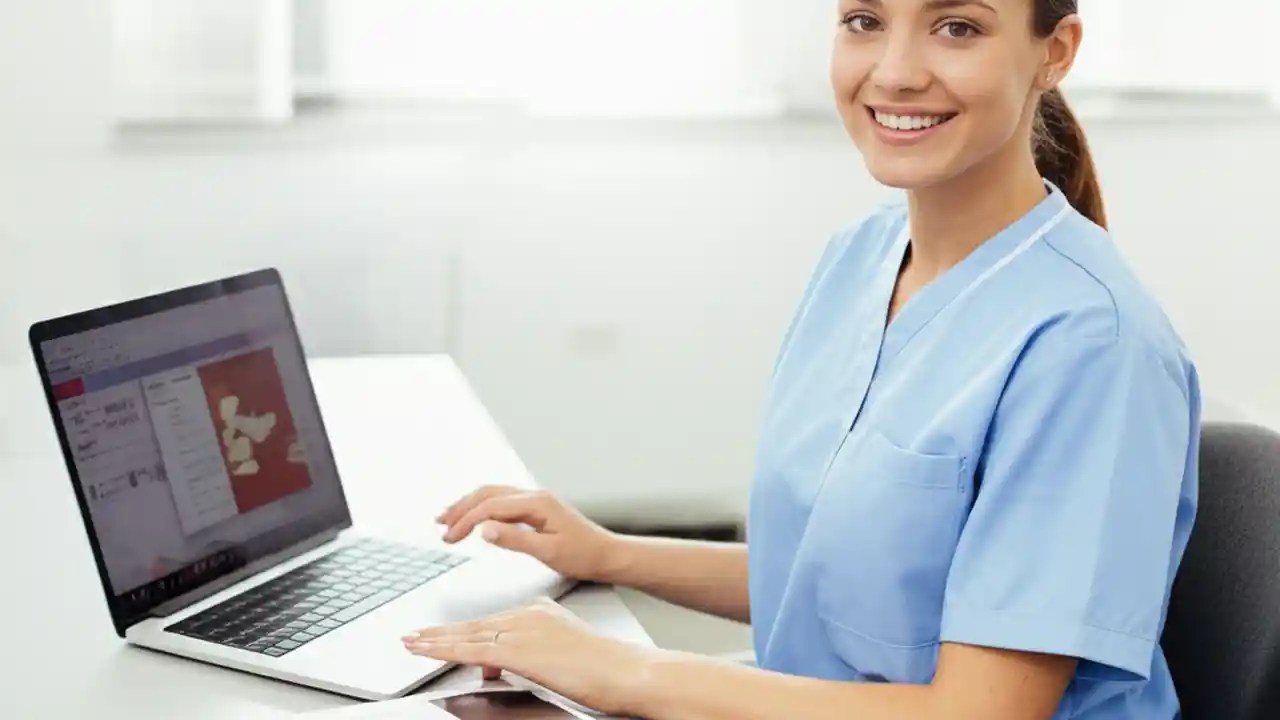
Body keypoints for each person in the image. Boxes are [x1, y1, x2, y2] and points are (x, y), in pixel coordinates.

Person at [402, 1, 1200, 718]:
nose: (894, 72)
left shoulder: (1091, 344)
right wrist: (608, 553)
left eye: (957, 27)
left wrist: (625, 673)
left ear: (1055, 52)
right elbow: (846, 581)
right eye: (864, 22)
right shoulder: (862, 257)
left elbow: (982, 711)